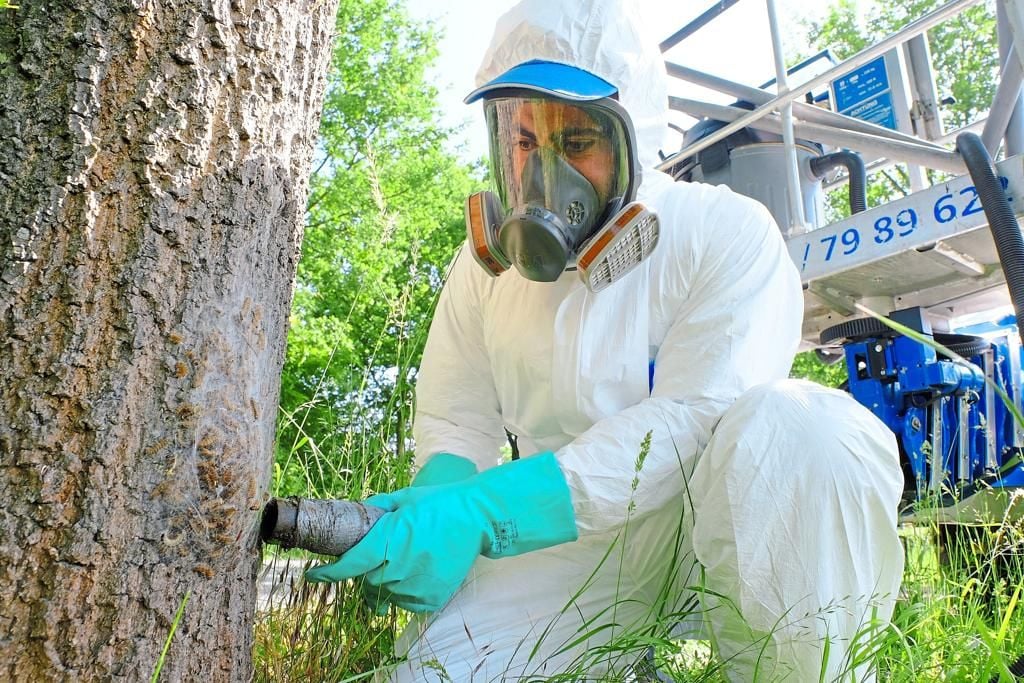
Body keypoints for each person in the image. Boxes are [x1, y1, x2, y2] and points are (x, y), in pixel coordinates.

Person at [306, 0, 906, 680]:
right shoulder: (485, 272)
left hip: (723, 527)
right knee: (429, 674)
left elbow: (692, 420)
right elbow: (455, 415)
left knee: (805, 430)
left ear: (635, 136)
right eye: (525, 141)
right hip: (558, 537)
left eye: (578, 143)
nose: (542, 176)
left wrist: (483, 508)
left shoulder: (724, 233)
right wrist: (442, 503)